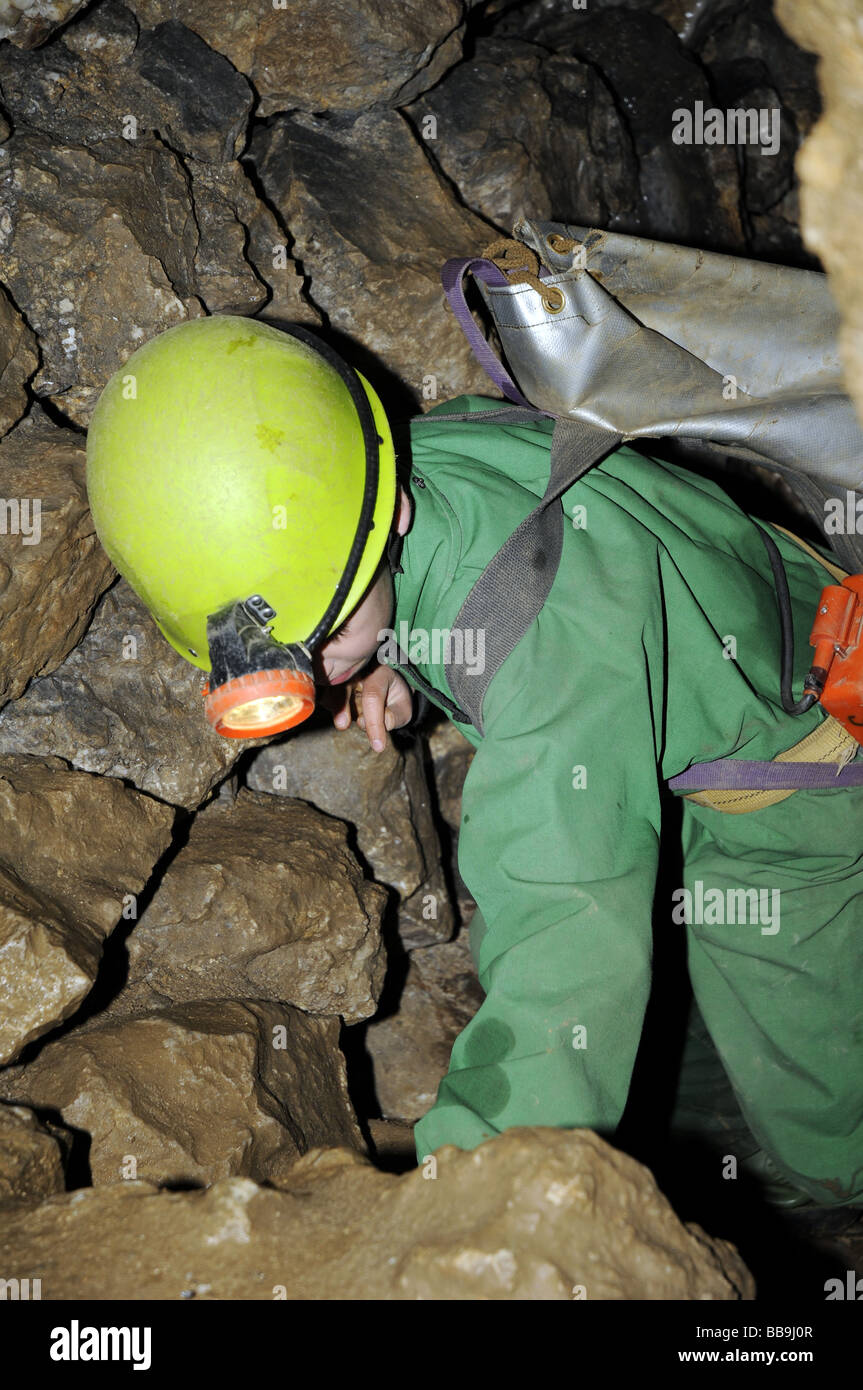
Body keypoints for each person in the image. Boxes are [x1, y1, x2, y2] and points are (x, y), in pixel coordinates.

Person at [87, 315, 863, 1212]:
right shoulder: (387, 473)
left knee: (821, 1130)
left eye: (324, 634)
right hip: (687, 679)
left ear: (392, 516)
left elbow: (562, 933)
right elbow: (441, 572)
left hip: (793, 772)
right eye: (286, 658)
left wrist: (457, 1198)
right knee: (681, 1039)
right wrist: (388, 653)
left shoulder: (540, 642)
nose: (315, 675)